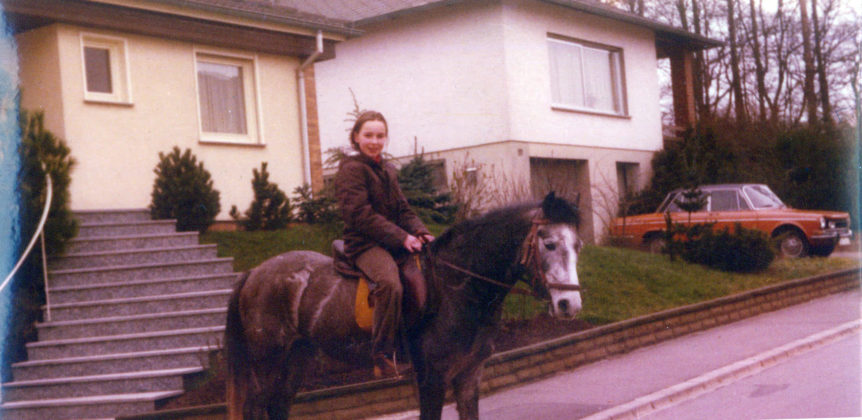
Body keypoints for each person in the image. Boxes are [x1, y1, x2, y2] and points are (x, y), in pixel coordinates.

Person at [334, 110, 434, 378]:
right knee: (390, 283)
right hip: (364, 244)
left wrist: (421, 232)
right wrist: (402, 237)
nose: (374, 141)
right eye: (368, 135)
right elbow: (360, 216)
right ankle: (381, 355)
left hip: (389, 241)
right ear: (356, 137)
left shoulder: (387, 169)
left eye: (380, 136)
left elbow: (402, 209)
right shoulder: (351, 170)